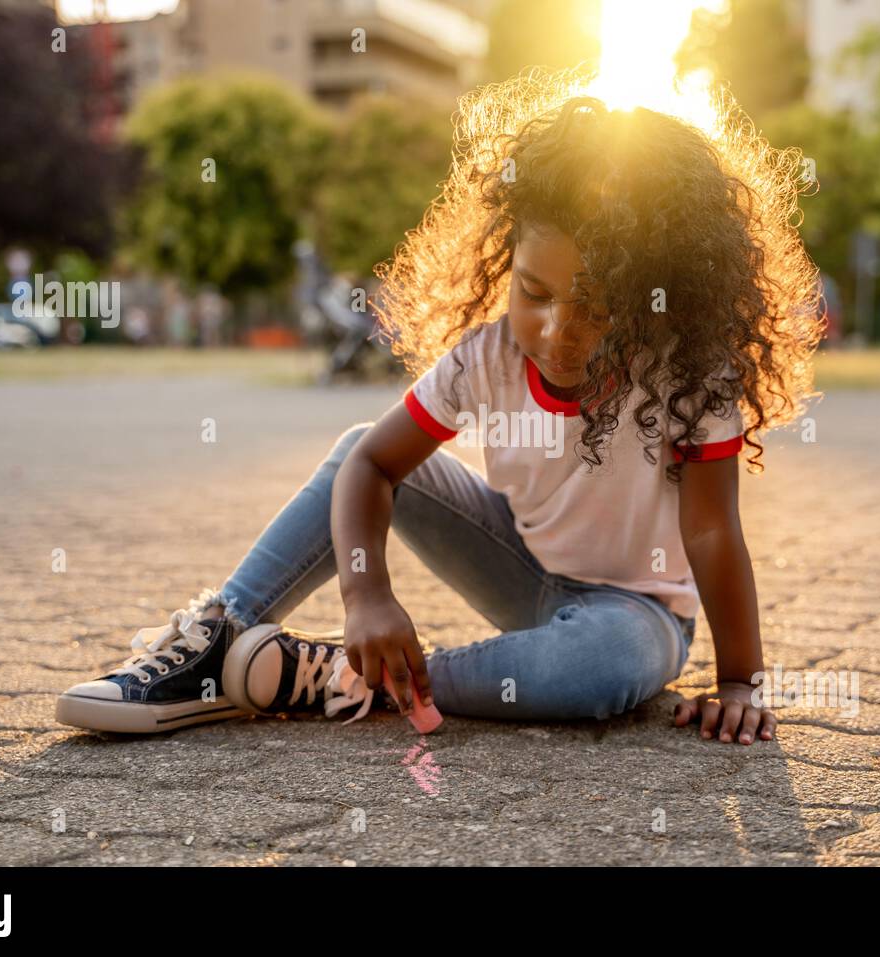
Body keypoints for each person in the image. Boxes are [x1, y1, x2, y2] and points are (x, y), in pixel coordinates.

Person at [56, 71, 821, 746]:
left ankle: (338, 675)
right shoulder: (486, 358)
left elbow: (714, 531)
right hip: (519, 569)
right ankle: (210, 640)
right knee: (359, 442)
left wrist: (741, 683)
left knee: (604, 669)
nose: (557, 331)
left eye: (596, 307)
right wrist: (367, 594)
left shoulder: (693, 373)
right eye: (535, 294)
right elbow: (373, 466)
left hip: (637, 614)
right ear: (509, 268)